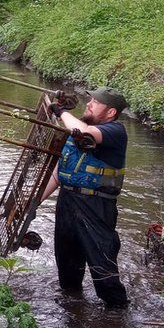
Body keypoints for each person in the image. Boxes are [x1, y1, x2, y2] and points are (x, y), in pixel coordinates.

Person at [38, 87, 130, 307]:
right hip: (67, 201)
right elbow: (60, 173)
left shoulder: (115, 131)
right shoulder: (77, 130)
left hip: (96, 206)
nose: (89, 103)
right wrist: (34, 202)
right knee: (67, 269)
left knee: (103, 268)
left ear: (111, 112)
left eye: (96, 102)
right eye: (90, 99)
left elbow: (85, 133)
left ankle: (117, 317)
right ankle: (73, 311)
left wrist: (60, 112)